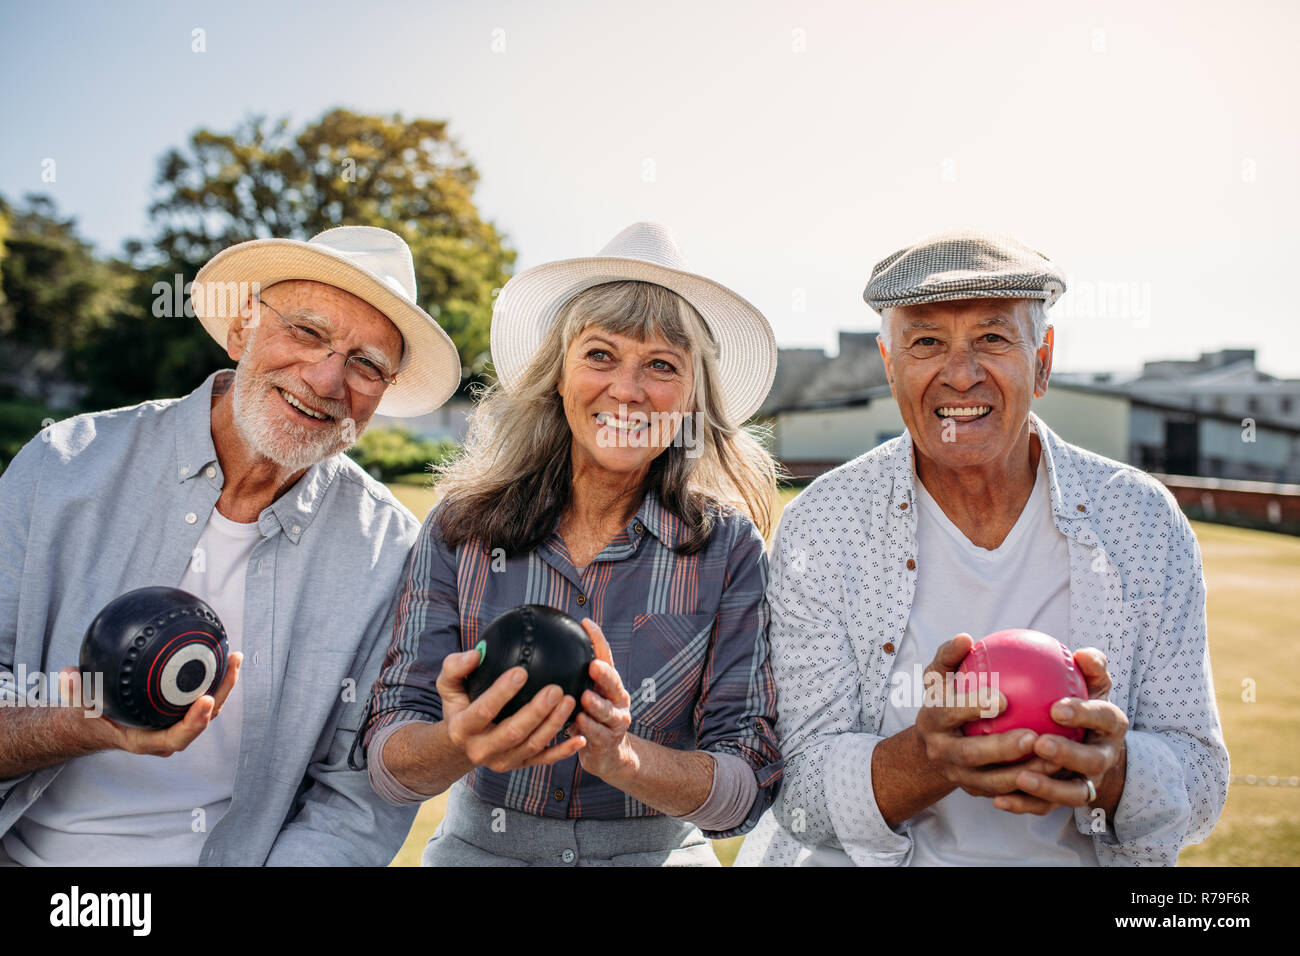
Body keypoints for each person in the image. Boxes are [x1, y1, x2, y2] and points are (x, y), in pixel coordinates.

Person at [737, 230, 1228, 866]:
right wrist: (926, 757)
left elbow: (1203, 785)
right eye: (927, 343)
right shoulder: (823, 526)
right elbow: (796, 793)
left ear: (1043, 360)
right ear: (890, 365)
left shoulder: (1141, 521)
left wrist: (1112, 771)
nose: (961, 373)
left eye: (993, 338)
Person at [0, 226, 462, 865]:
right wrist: (72, 724)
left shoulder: (391, 553)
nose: (327, 380)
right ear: (244, 328)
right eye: (306, 332)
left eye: (367, 364)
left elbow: (354, 801)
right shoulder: (63, 466)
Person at [357, 222, 783, 866]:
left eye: (661, 365)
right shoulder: (460, 528)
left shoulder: (727, 547)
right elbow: (389, 764)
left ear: (692, 396)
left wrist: (624, 756)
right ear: (558, 374)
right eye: (600, 355)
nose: (627, 389)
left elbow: (745, 788)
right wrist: (457, 740)